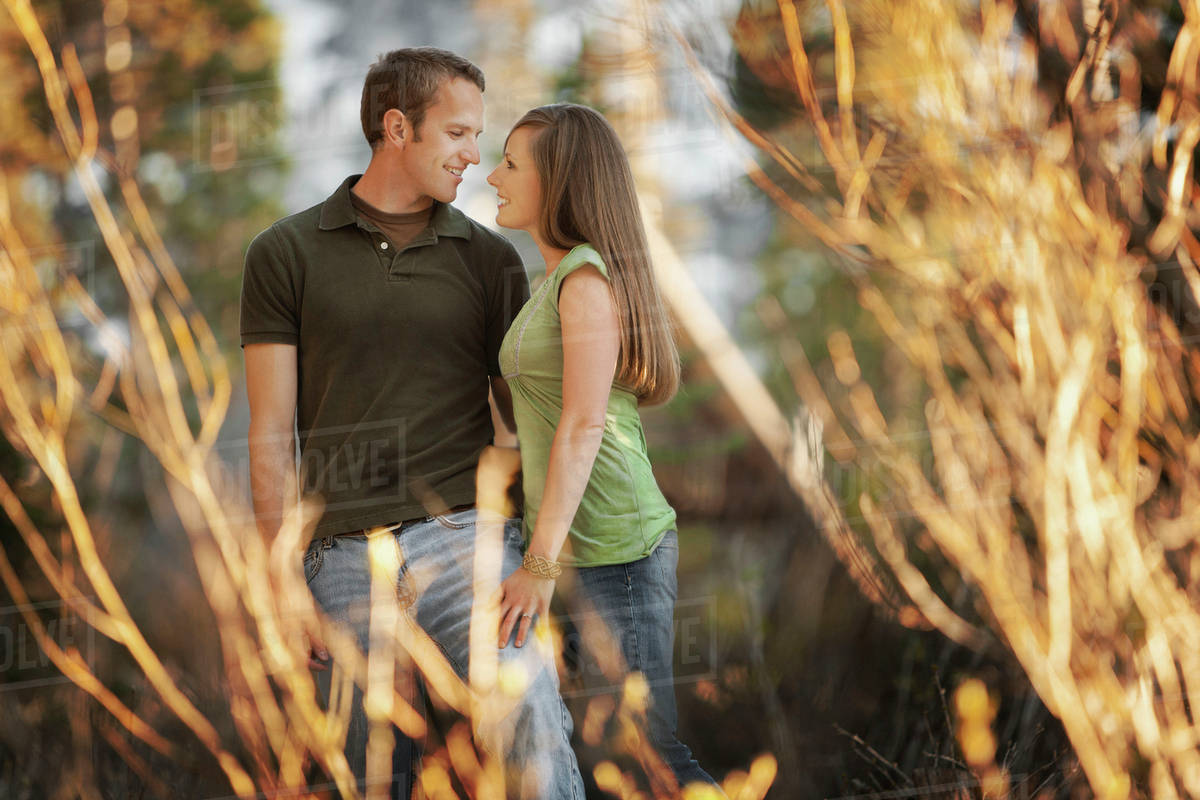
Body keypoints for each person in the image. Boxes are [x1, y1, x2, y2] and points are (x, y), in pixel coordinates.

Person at [241, 49, 583, 800]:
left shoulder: (490, 260)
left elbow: (527, 417)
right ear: (398, 128)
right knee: (366, 773)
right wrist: (281, 586)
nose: (473, 155)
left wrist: (541, 558)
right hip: (338, 558)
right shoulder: (283, 253)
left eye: (477, 136)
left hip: (468, 542)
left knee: (527, 717)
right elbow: (269, 433)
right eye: (458, 133)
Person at [485, 103, 722, 795]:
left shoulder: (584, 278)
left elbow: (585, 423)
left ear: (557, 182)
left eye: (511, 164)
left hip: (618, 547)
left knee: (650, 753)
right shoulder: (555, 281)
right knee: (614, 754)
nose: (494, 176)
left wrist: (538, 564)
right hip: (580, 549)